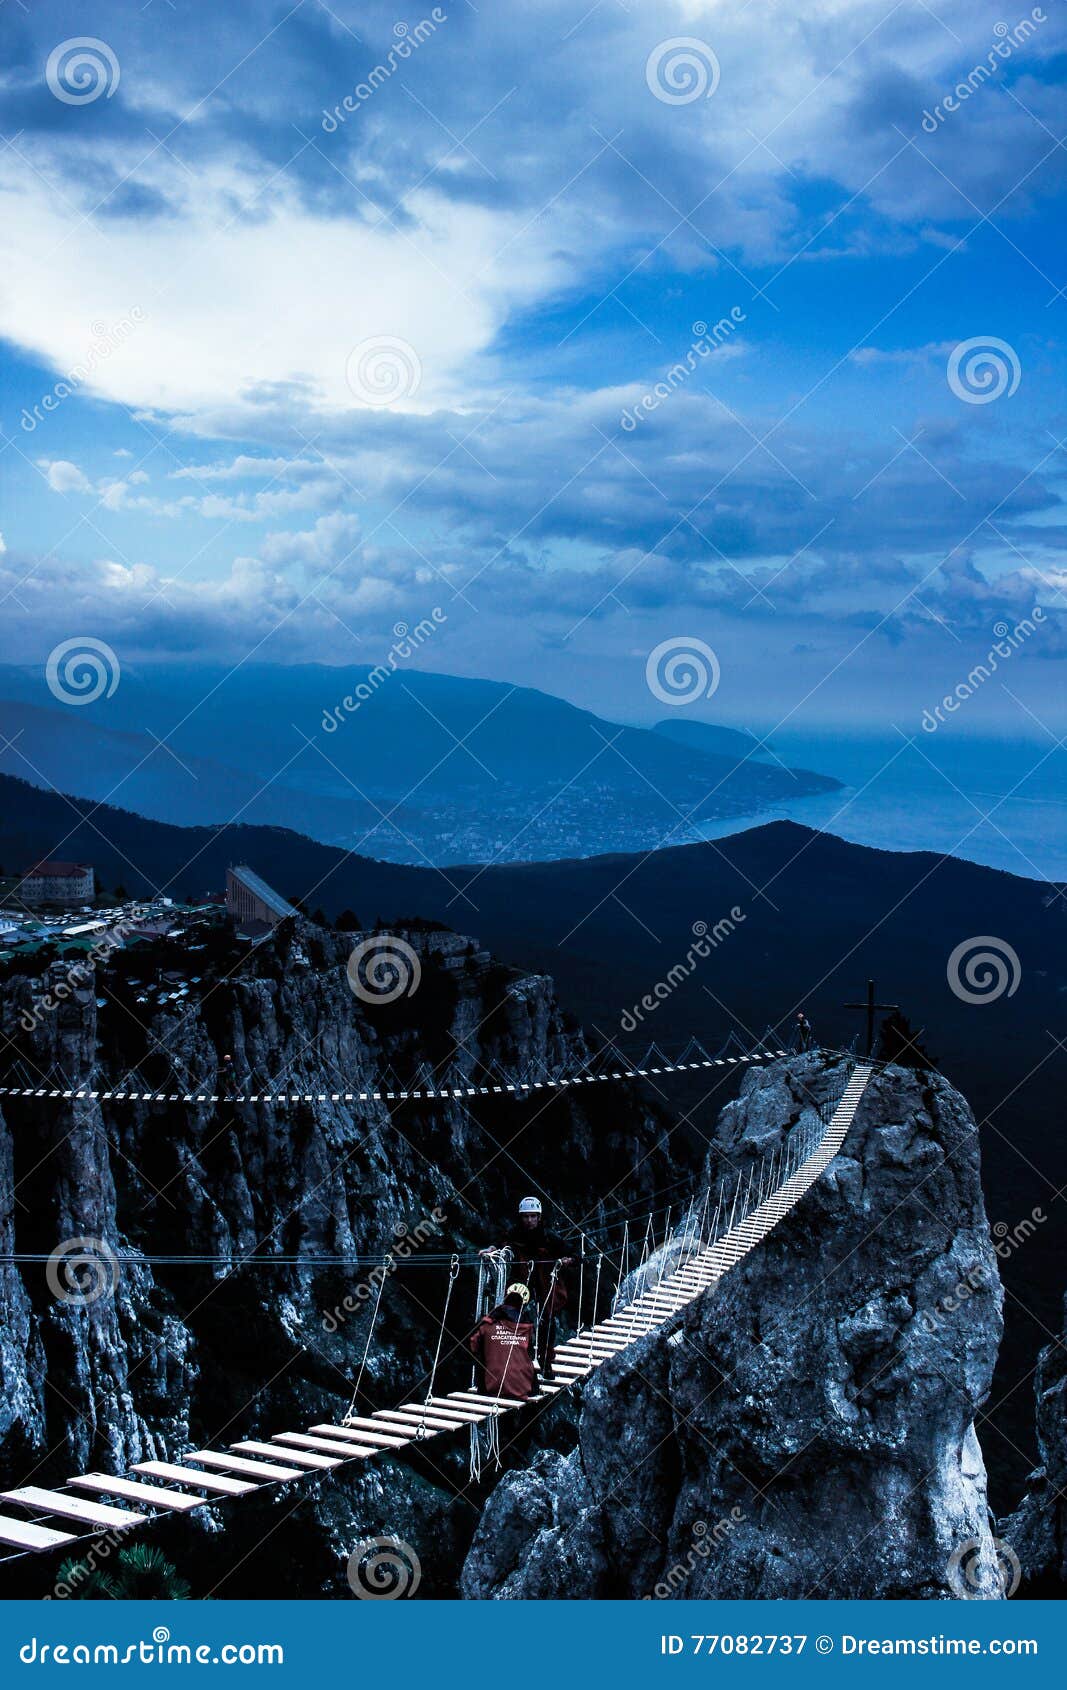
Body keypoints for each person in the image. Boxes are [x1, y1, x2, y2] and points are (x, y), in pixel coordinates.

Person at [480, 1197, 574, 1379]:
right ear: (521, 1218)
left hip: (544, 1281)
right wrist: (492, 1250)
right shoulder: (514, 1234)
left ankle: (545, 1363)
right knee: (513, 1317)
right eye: (526, 1216)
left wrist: (568, 1260)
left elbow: (572, 1252)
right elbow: (500, 1244)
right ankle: (516, 1363)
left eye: (533, 1216)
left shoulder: (549, 1236)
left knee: (547, 1320)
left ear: (539, 1217)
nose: (529, 1220)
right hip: (522, 1280)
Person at [467, 1283, 538, 1401]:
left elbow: (472, 1347)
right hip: (522, 1387)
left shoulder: (486, 1325)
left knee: (482, 1355)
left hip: (491, 1387)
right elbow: (530, 1355)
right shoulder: (528, 1328)